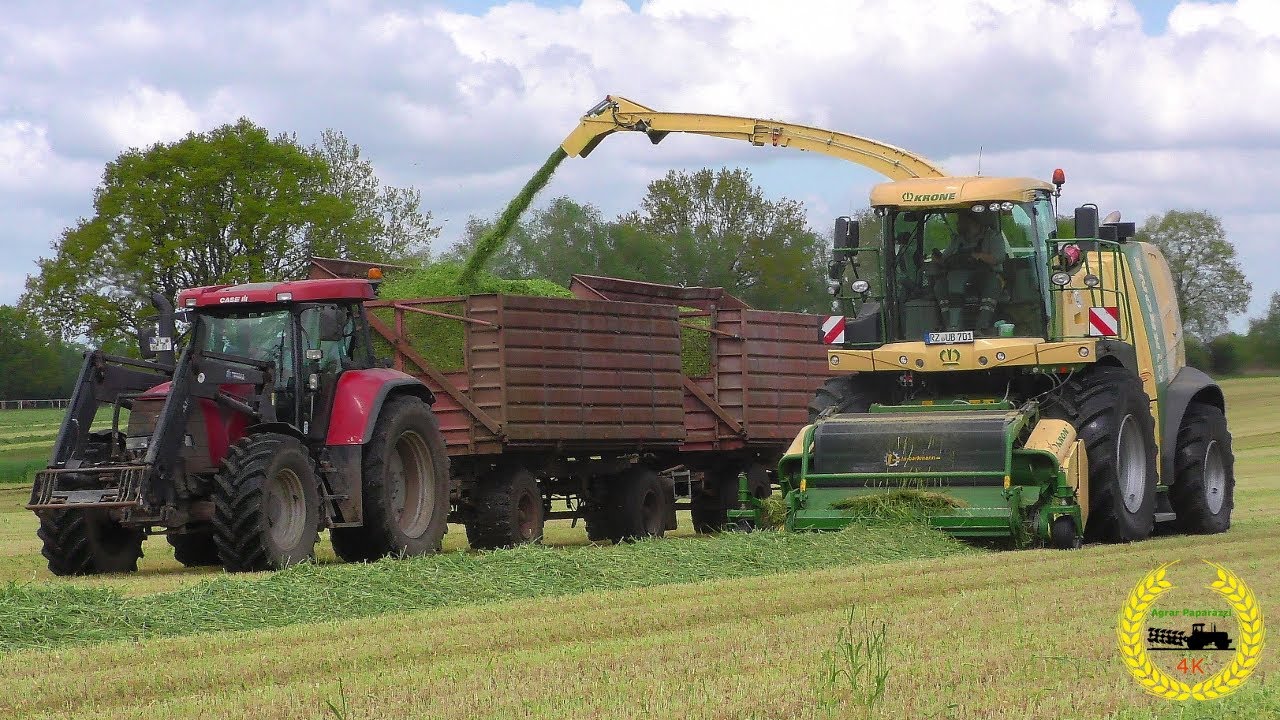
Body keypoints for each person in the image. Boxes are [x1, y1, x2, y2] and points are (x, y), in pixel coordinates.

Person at [930, 211, 1006, 332]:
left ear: (971, 221)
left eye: (960, 220)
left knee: (993, 283)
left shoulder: (992, 236)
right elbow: (945, 259)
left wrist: (978, 255)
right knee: (940, 286)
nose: (957, 223)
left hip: (984, 276)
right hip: (956, 277)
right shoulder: (957, 240)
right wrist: (937, 260)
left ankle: (982, 327)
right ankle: (951, 326)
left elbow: (999, 258)